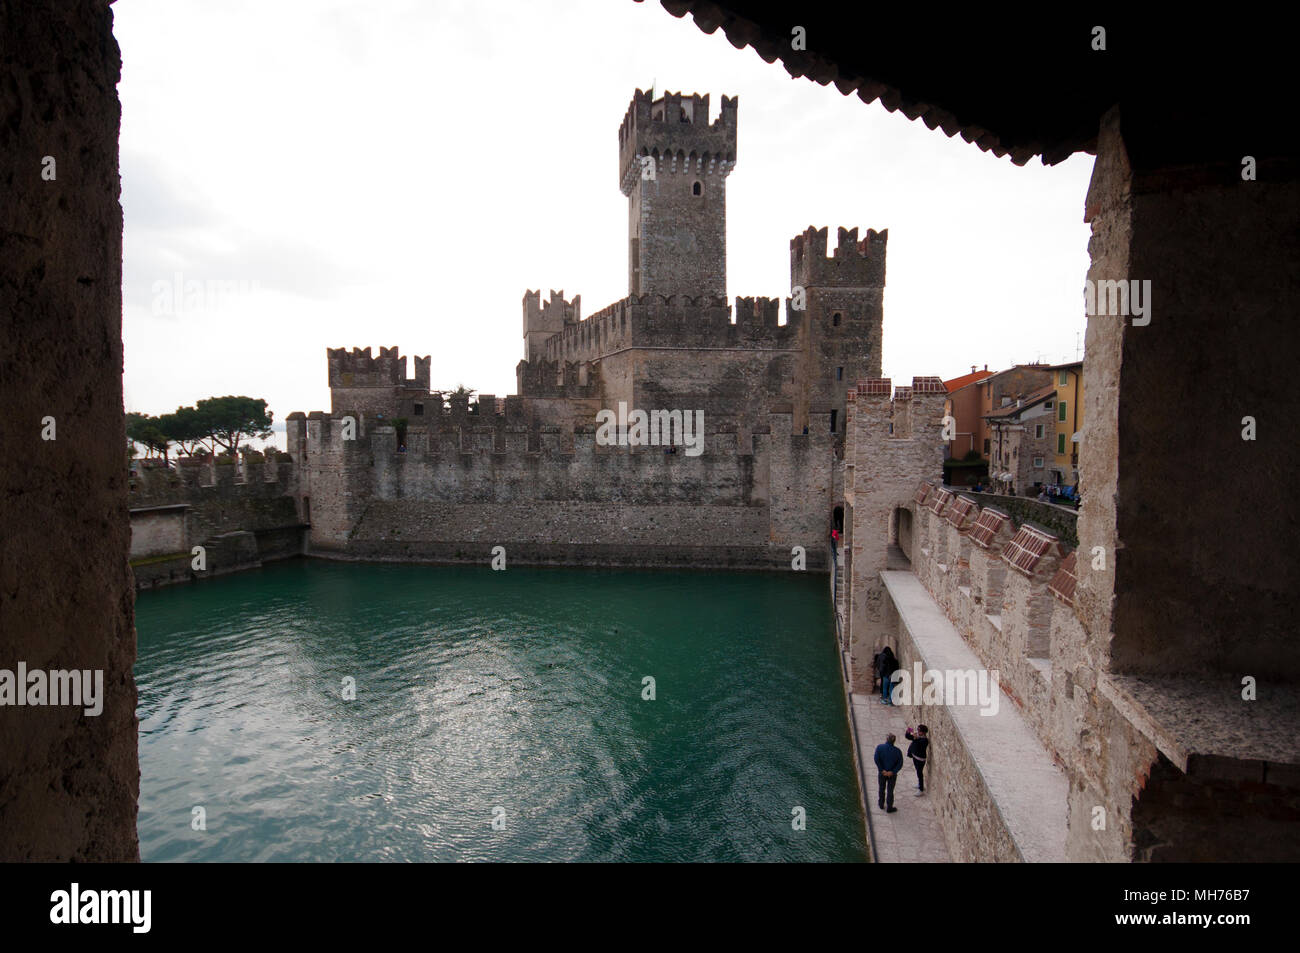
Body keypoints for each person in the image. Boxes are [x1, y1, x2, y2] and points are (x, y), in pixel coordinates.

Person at [874, 733, 904, 813]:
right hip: (892, 775)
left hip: (882, 773)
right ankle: (889, 807)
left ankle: (881, 804)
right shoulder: (898, 751)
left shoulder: (880, 747)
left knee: (881, 788)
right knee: (890, 790)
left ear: (886, 740)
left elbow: (876, 759)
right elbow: (900, 764)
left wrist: (882, 770)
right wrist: (893, 772)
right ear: (894, 741)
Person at [905, 724, 930, 795]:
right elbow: (908, 737)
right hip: (915, 757)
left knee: (919, 773)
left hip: (920, 760)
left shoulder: (925, 740)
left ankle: (921, 789)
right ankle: (919, 784)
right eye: (918, 730)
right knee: (918, 772)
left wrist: (915, 738)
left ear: (924, 732)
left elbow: (919, 746)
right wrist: (908, 731)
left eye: (920, 731)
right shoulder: (918, 737)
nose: (918, 732)